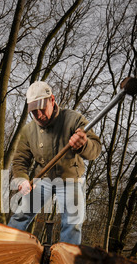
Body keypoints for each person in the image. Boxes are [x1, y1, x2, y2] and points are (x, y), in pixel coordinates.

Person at [8, 80, 101, 245]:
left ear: (52, 100)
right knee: (21, 214)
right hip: (41, 179)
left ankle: (66, 259)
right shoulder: (28, 131)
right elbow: (20, 160)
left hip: (70, 178)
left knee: (73, 223)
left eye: (41, 109)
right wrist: (22, 179)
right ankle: (4, 246)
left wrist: (83, 145)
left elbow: (95, 150)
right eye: (33, 112)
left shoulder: (73, 119)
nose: (39, 116)